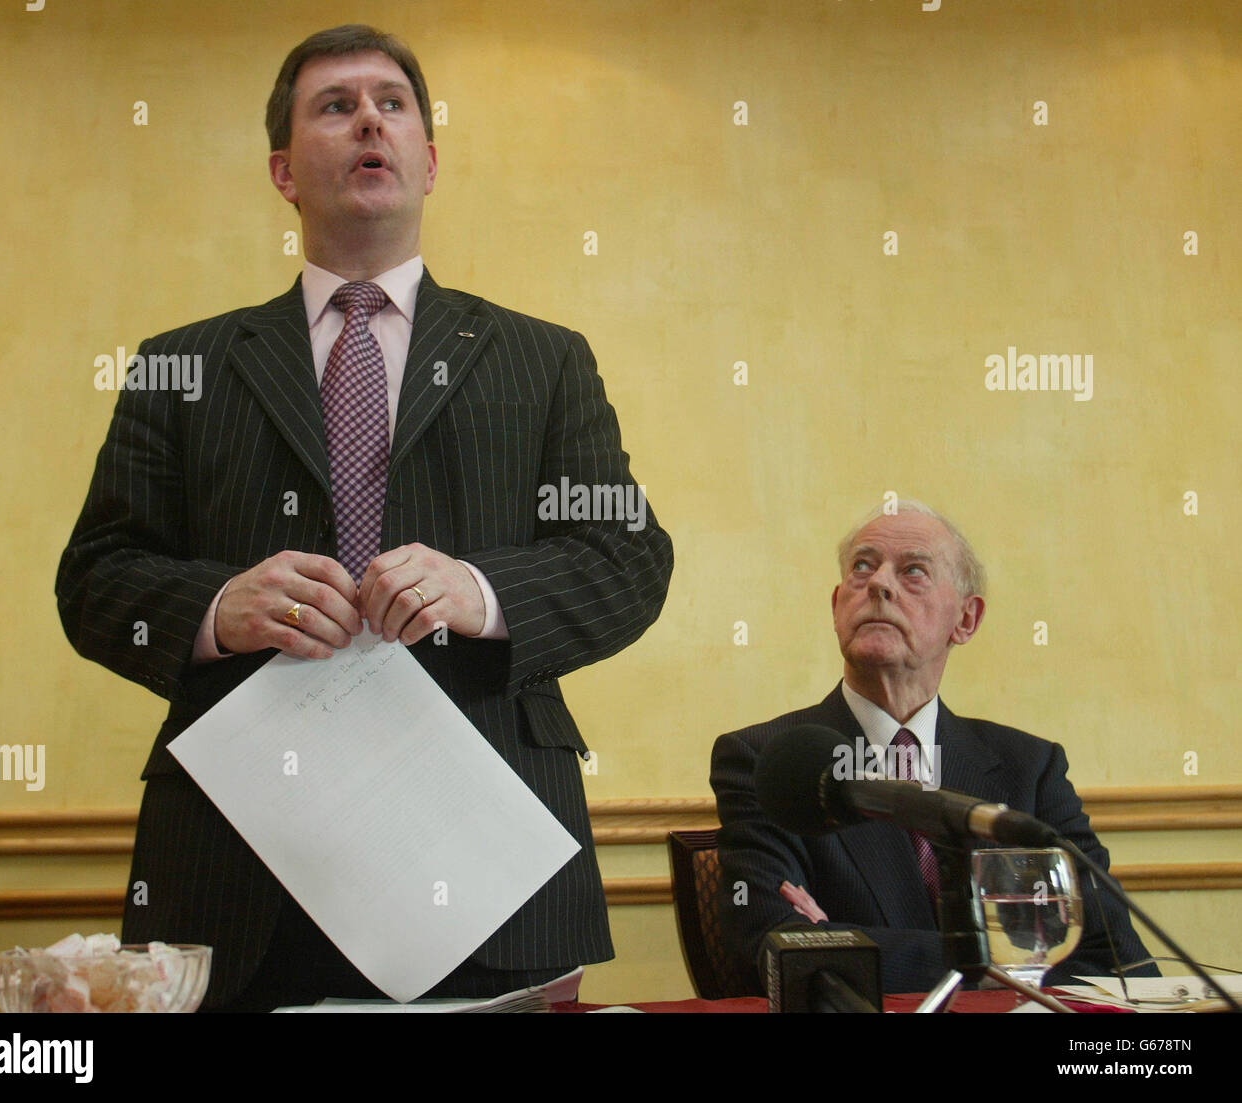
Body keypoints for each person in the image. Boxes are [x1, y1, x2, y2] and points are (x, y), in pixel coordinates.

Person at [56, 25, 673, 1011]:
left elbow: (627, 558)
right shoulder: (181, 366)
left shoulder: (544, 358)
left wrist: (481, 589)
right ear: (282, 170)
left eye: (392, 104)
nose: (369, 122)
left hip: (485, 855)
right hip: (236, 860)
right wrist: (217, 605)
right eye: (335, 107)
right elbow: (94, 578)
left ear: (430, 160)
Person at [710, 501, 1155, 995]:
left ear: (966, 619)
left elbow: (1120, 962)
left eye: (913, 571)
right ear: (836, 607)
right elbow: (783, 949)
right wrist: (1012, 959)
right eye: (863, 566)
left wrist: (850, 939)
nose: (879, 584)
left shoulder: (1029, 768)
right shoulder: (769, 760)